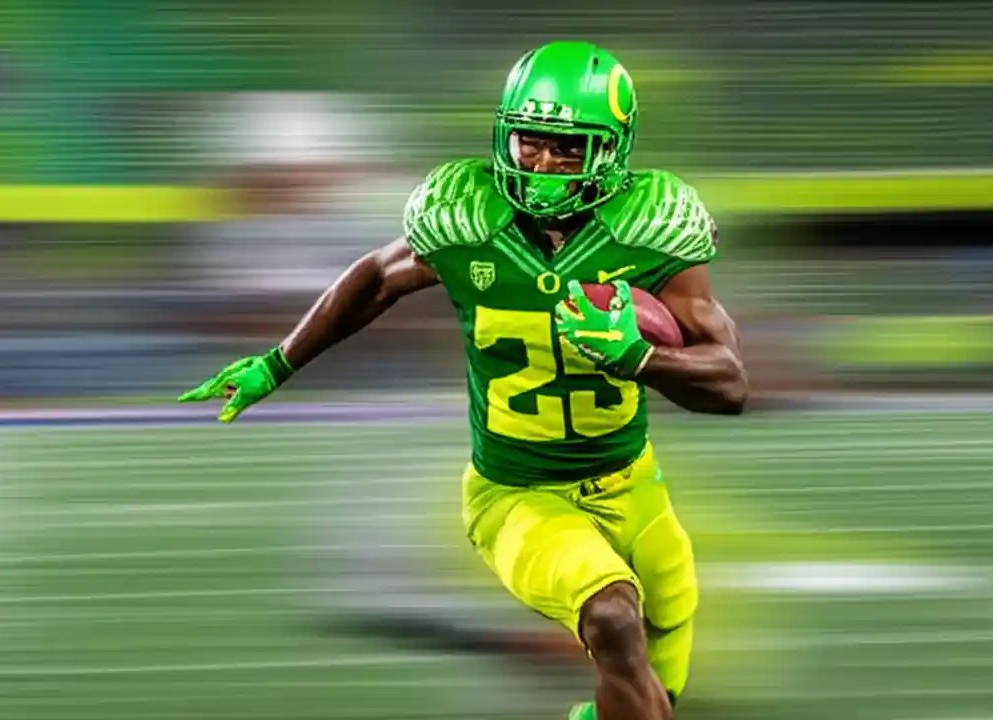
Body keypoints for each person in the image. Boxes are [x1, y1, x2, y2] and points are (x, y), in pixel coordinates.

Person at [180, 40, 748, 720]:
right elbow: (375, 278)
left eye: (569, 149)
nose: (542, 164)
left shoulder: (653, 226)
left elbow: (729, 384)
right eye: (530, 142)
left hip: (633, 488)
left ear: (612, 152)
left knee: (661, 676)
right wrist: (278, 362)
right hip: (517, 494)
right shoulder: (467, 216)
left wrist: (639, 360)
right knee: (613, 621)